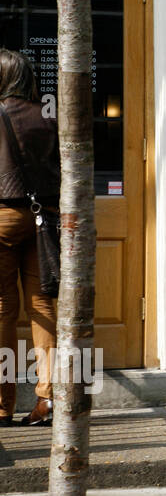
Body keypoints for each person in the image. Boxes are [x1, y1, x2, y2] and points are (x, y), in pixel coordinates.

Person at [0, 49, 58, 427]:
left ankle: (2, 407)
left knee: (3, 311)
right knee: (44, 307)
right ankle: (49, 400)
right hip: (43, 219)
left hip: (2, 218)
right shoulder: (47, 116)